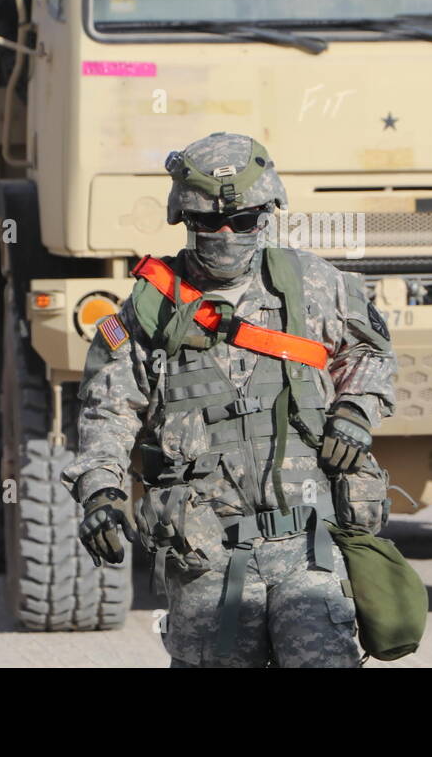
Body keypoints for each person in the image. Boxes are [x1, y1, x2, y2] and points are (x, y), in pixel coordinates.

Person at [63, 132, 397, 667]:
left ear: (265, 216)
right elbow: (108, 410)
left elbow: (372, 352)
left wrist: (356, 410)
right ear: (183, 221)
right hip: (205, 554)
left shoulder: (312, 284)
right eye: (207, 223)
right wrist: (100, 495)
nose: (224, 234)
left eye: (240, 222)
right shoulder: (148, 311)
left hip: (309, 548)